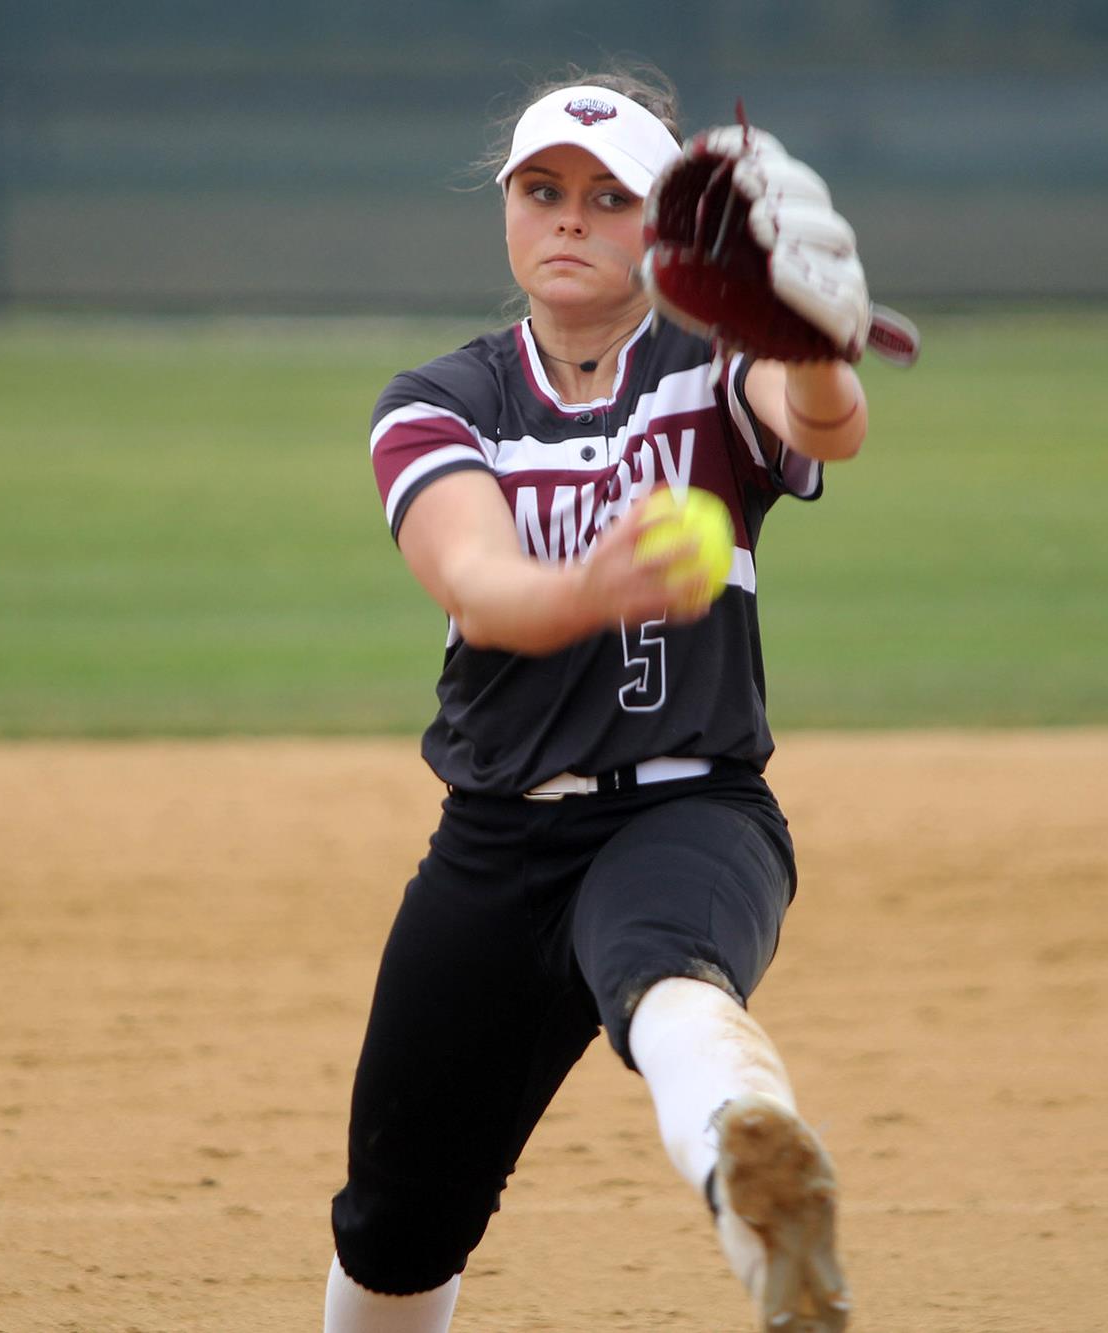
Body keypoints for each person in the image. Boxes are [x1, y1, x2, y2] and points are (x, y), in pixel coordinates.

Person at [327, 64, 870, 1333]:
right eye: (541, 190)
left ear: (660, 231)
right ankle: (744, 1163)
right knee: (395, 1225)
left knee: (667, 979)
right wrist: (595, 583)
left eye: (607, 197)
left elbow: (817, 424)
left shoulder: (711, 366)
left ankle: (760, 1174)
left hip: (690, 810)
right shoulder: (440, 400)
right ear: (506, 212)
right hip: (496, 840)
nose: (568, 218)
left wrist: (820, 351)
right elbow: (474, 576)